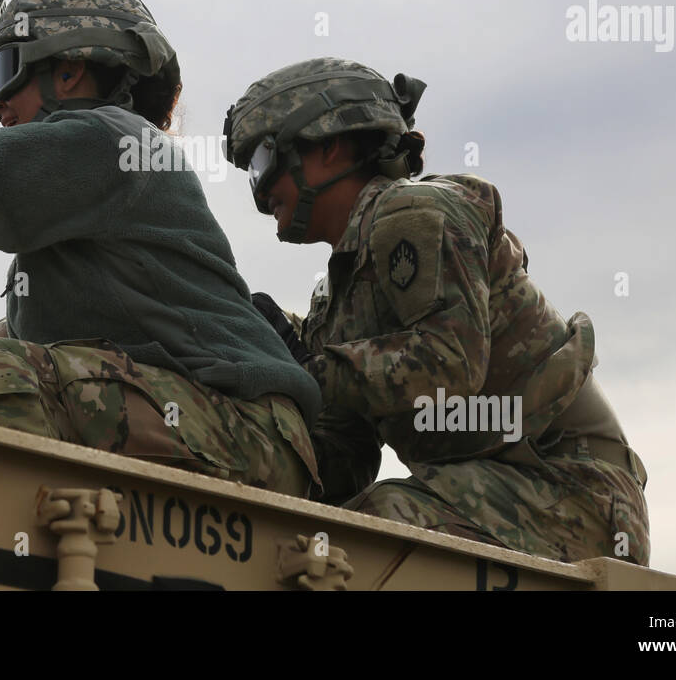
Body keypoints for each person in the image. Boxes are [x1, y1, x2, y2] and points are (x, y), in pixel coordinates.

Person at [0, 0, 321, 496]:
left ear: (68, 71)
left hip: (248, 430)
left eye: (7, 71)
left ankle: (20, 550)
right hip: (223, 427)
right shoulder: (99, 171)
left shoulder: (110, 137)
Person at [223, 57, 650, 564]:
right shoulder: (338, 301)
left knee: (366, 533)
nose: (260, 190)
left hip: (572, 489)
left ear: (328, 144)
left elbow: (448, 364)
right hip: (489, 491)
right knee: (309, 539)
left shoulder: (416, 214)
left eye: (263, 162)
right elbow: (343, 461)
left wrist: (310, 367)